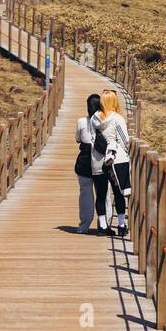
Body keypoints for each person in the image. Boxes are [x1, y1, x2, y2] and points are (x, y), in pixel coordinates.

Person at [89, 89, 131, 237]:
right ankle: (121, 225)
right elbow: (125, 141)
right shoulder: (117, 118)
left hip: (97, 159)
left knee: (100, 194)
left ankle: (102, 226)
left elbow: (92, 139)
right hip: (114, 160)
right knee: (118, 193)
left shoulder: (94, 118)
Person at [74, 94, 102, 233]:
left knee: (85, 192)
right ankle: (104, 224)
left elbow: (78, 139)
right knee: (103, 192)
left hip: (84, 160)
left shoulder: (81, 122)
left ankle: (84, 225)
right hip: (100, 159)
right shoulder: (105, 121)